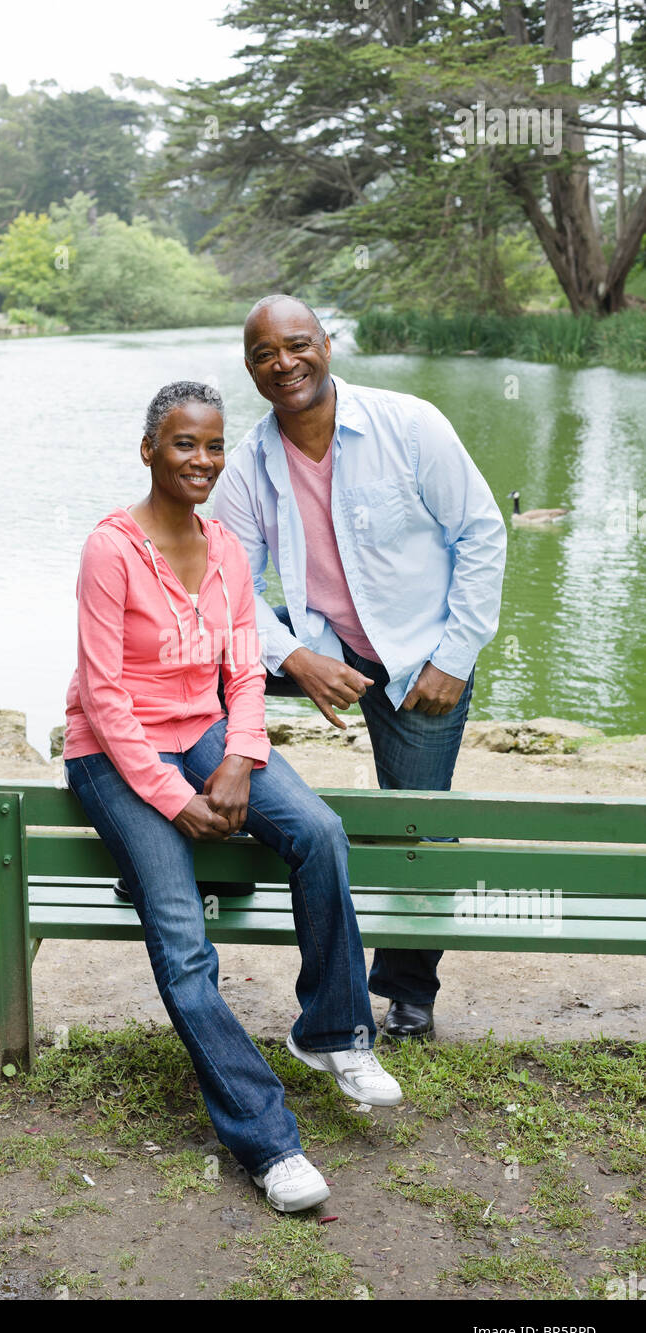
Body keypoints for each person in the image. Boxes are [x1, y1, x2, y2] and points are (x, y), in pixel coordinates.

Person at [63, 379, 402, 1214]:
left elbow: (244, 672)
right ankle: (268, 1141)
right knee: (182, 944)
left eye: (214, 446)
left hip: (207, 732)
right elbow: (105, 698)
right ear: (149, 450)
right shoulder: (110, 549)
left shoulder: (226, 549)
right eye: (184, 444)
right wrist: (173, 800)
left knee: (320, 832)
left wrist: (240, 758)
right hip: (116, 753)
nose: (203, 461)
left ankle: (331, 1032)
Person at [213, 297, 507, 1043]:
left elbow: (480, 532)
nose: (284, 363)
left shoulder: (408, 425)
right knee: (198, 670)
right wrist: (296, 658)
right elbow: (233, 587)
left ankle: (408, 993)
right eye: (264, 355)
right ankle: (172, 849)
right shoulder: (248, 462)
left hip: (420, 657)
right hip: (320, 641)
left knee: (419, 826)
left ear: (329, 345)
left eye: (298, 344)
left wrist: (454, 655)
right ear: (251, 370)